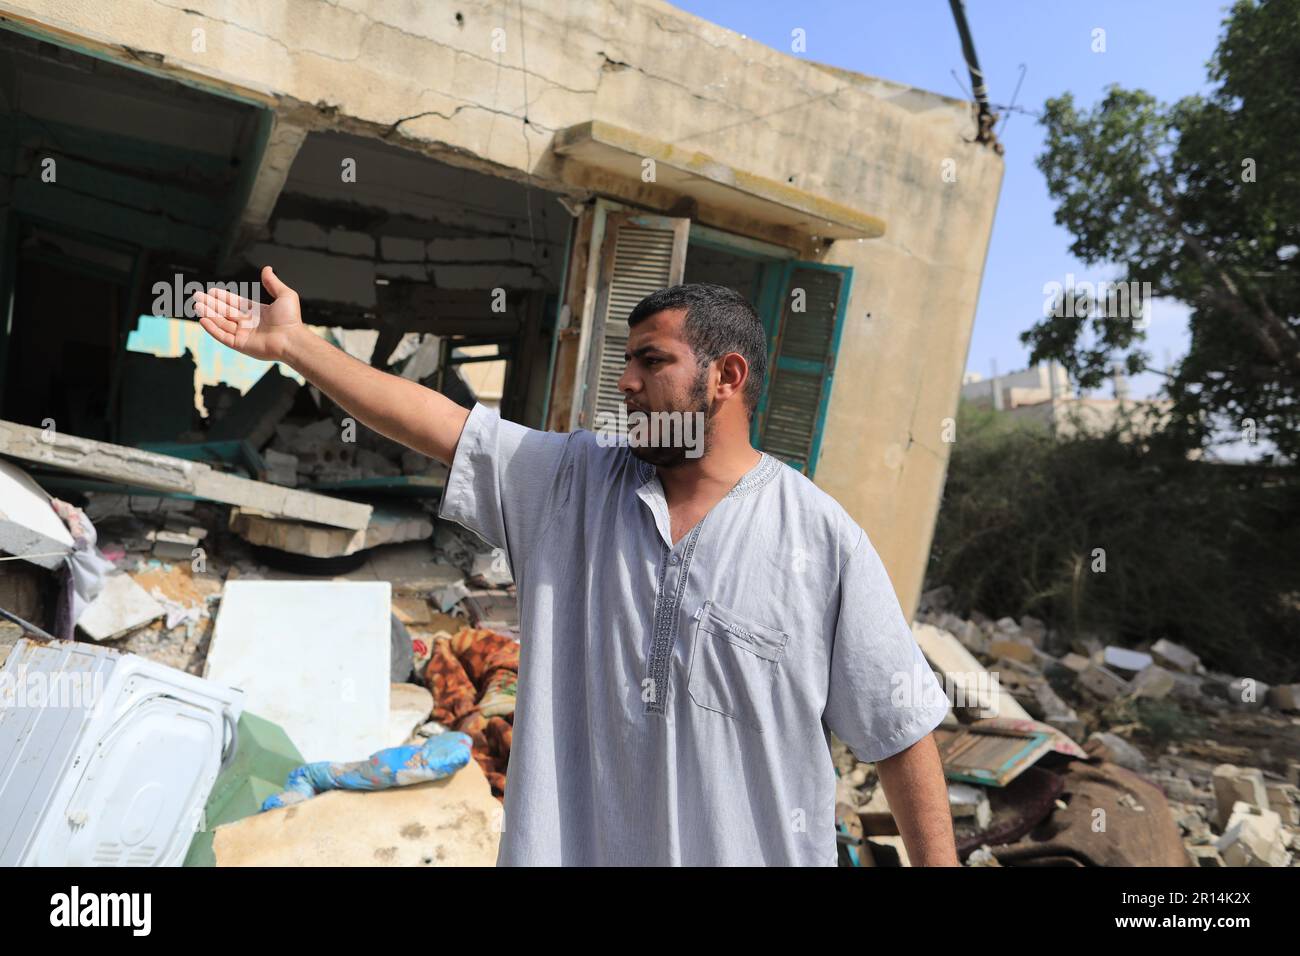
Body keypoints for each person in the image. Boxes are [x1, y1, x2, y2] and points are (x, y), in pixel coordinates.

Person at [195, 267, 959, 866]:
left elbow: (898, 732)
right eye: (625, 361)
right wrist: (297, 346)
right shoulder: (574, 485)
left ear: (726, 377)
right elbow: (439, 424)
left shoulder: (821, 542)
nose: (625, 383)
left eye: (652, 361)